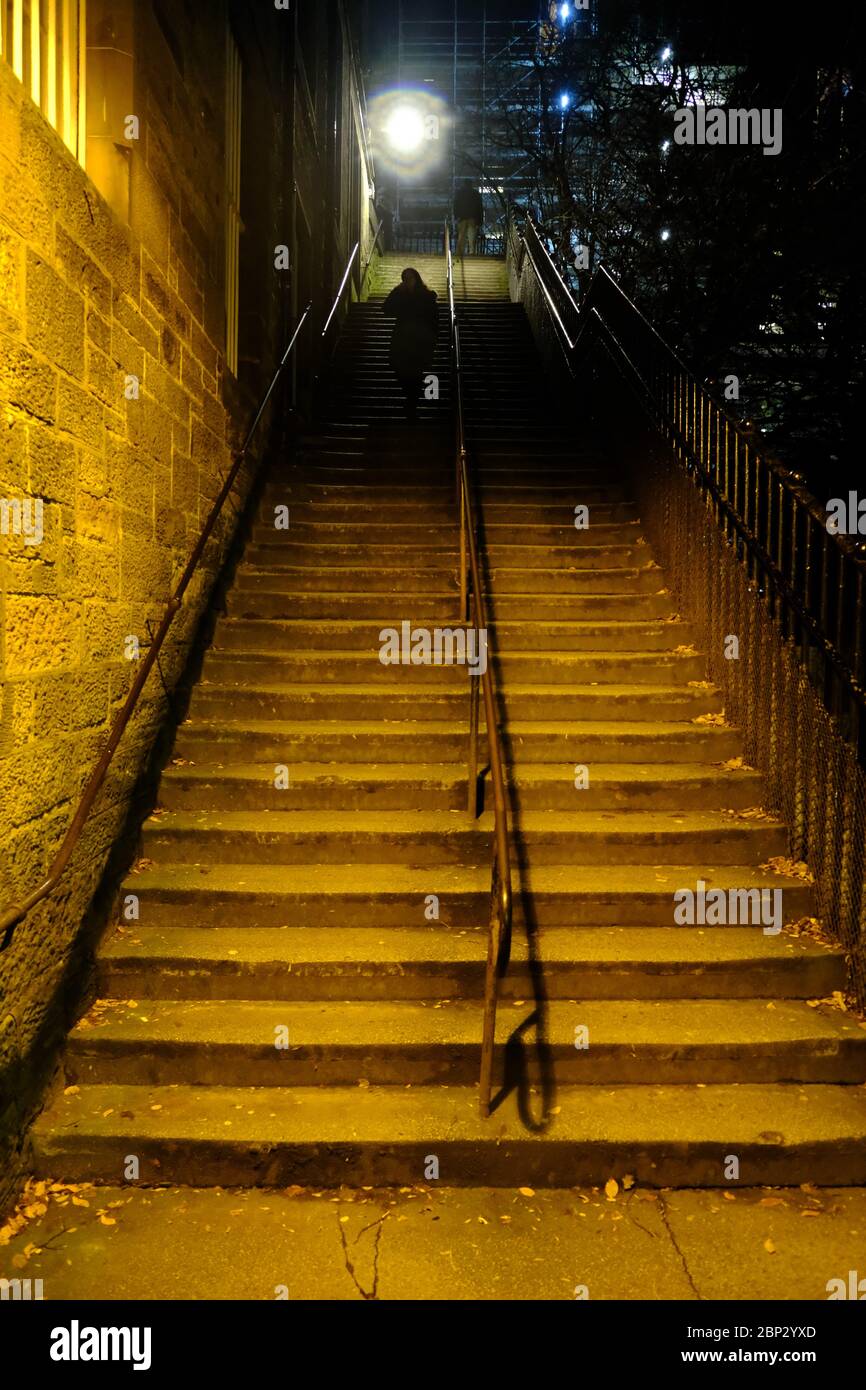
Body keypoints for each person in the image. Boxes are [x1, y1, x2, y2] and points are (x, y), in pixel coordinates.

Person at [381, 268, 439, 419]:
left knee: (415, 372)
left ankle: (412, 404)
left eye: (410, 278)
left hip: (419, 341)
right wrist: (395, 290)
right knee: (398, 367)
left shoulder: (427, 296)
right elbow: (386, 309)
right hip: (402, 340)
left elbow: (434, 319)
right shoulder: (401, 296)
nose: (408, 282)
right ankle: (411, 400)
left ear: (417, 279)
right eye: (405, 279)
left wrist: (432, 339)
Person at [454, 181, 484, 258]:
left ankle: (460, 252)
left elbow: (455, 204)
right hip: (472, 217)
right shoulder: (475, 193)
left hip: (462, 217)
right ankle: (472, 251)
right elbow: (479, 207)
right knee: (472, 235)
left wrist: (456, 215)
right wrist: (480, 220)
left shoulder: (459, 193)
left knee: (461, 235)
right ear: (471, 185)